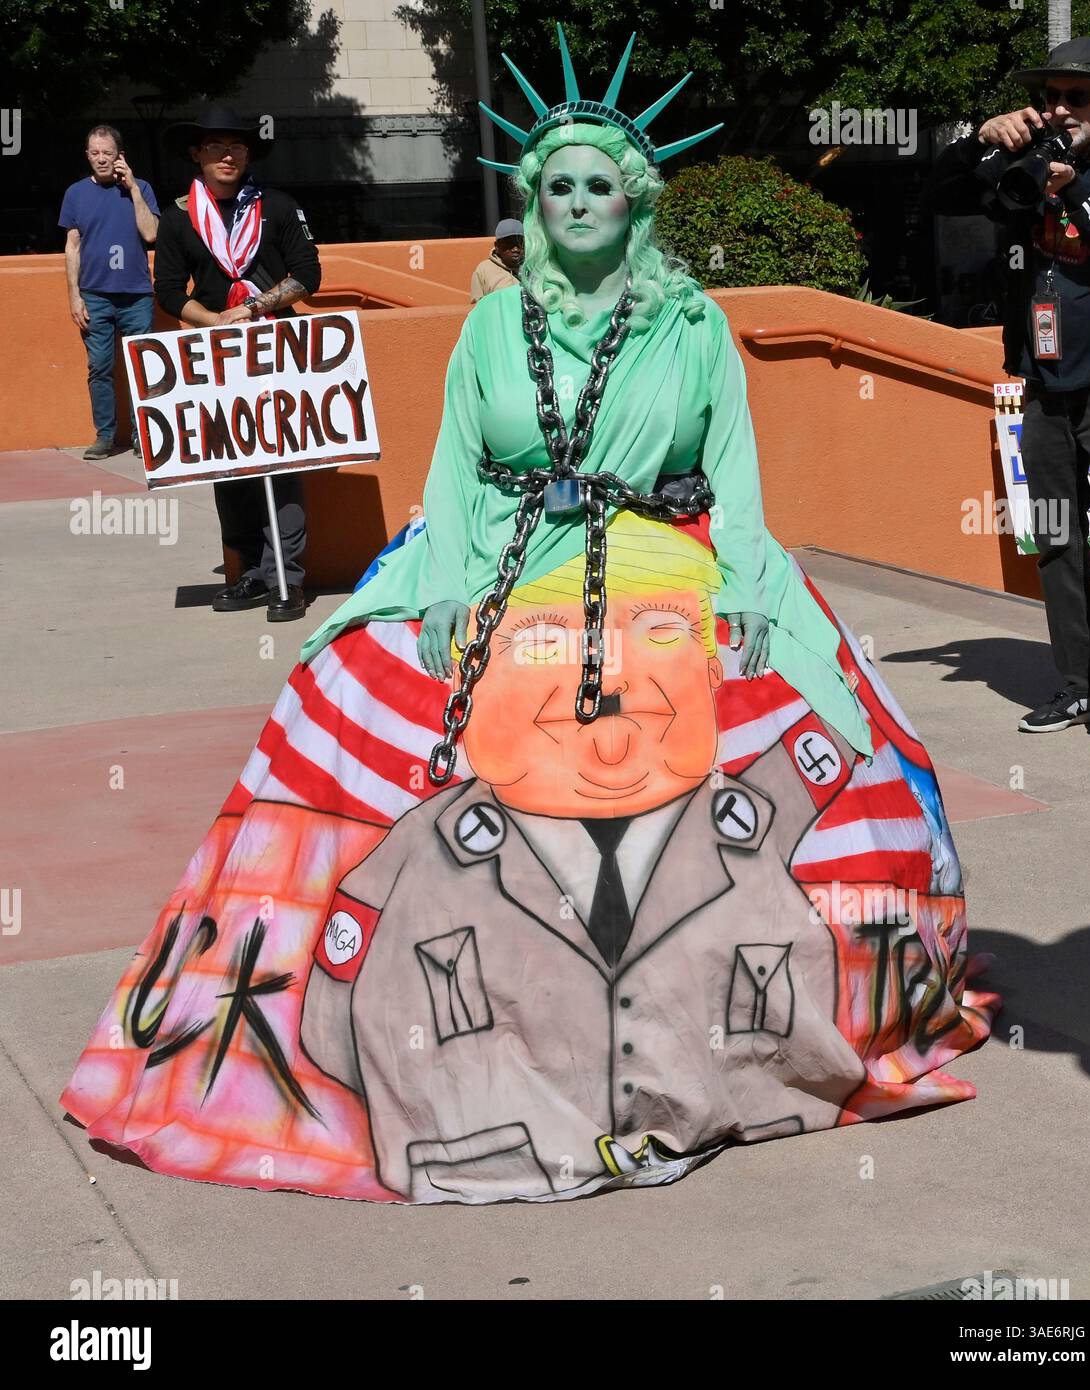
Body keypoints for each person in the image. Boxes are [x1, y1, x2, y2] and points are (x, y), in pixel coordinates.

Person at [62, 30, 997, 1206]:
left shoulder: (693, 325)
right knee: (337, 697)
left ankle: (708, 1052)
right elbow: (453, 470)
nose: (577, 201)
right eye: (555, 185)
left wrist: (755, 593)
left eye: (599, 183)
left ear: (637, 199)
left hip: (662, 555)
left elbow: (740, 479)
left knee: (801, 724)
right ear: (533, 204)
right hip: (499, 553)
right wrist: (444, 584)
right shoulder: (492, 327)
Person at [928, 37, 1090, 755]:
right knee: (1054, 541)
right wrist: (975, 141)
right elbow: (943, 196)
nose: (1059, 108)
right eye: (1050, 95)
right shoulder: (1026, 154)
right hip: (1043, 386)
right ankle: (1072, 682)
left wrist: (1070, 187)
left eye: (1076, 97)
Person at [154, 103, 321, 623]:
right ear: (196, 155)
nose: (228, 156)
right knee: (229, 464)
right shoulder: (178, 217)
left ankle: (286, 577)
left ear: (248, 155)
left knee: (282, 463)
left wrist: (250, 309)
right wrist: (215, 322)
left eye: (238, 148)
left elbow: (307, 275)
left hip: (279, 350)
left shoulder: (276, 205)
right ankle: (251, 571)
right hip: (217, 355)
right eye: (216, 147)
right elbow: (166, 291)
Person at [59, 125, 159, 460]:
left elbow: (151, 234)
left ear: (120, 156)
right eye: (95, 152)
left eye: (108, 153)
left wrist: (132, 189)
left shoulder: (141, 188)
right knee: (99, 368)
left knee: (141, 367)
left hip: (137, 295)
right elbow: (72, 247)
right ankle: (104, 436)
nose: (101, 159)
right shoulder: (75, 193)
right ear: (87, 155)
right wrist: (74, 296)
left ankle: (141, 436)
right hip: (95, 296)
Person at [470, 216, 524, 302]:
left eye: (520, 243)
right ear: (497, 246)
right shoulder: (483, 270)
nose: (516, 249)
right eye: (509, 243)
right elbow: (477, 307)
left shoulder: (532, 267)